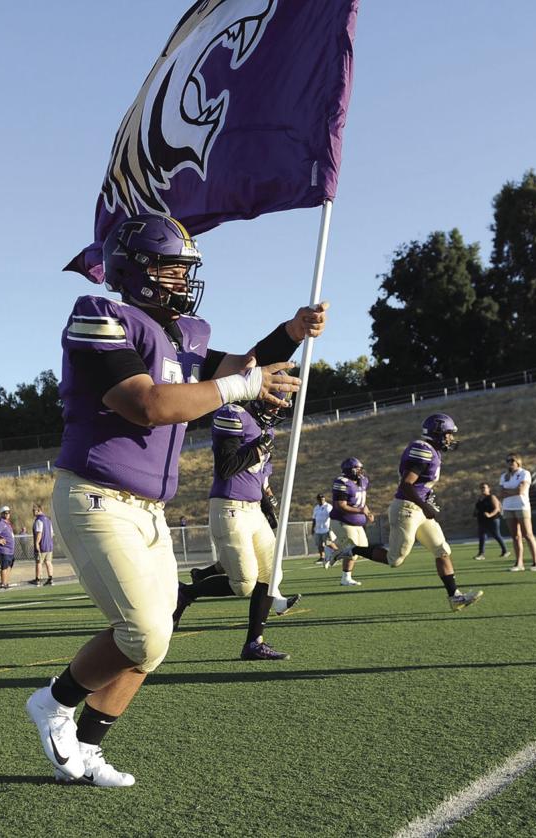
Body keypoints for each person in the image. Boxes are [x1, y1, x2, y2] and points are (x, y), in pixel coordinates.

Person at [25, 212, 320, 787]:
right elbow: (150, 405)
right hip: (95, 496)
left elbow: (241, 367)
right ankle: (54, 702)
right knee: (144, 632)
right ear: (134, 270)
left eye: (185, 268)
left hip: (148, 510)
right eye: (170, 266)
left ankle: (86, 752)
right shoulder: (100, 315)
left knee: (152, 646)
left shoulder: (184, 334)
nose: (182, 278)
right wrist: (242, 387)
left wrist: (291, 330)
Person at [171, 394, 301, 659]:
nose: (277, 408)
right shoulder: (233, 414)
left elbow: (260, 477)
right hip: (230, 507)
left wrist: (268, 504)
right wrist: (257, 449)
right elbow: (226, 467)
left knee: (272, 574)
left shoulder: (267, 431)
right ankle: (186, 592)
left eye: (282, 404)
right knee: (243, 583)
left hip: (254, 510)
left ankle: (254, 643)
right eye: (275, 401)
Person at [333, 414, 483, 611]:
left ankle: (454, 596)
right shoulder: (423, 451)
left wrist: (426, 501)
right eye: (447, 434)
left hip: (418, 508)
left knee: (442, 550)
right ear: (437, 432)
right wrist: (425, 504)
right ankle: (352, 549)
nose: (450, 438)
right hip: (407, 508)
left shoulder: (433, 452)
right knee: (394, 560)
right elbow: (406, 485)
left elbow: (419, 485)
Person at [330, 457, 373, 586]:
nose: (360, 471)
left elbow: (362, 502)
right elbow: (341, 506)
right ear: (349, 470)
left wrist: (368, 512)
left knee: (362, 549)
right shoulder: (342, 482)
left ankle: (332, 551)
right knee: (352, 550)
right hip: (342, 520)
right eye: (357, 468)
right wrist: (361, 511)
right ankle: (345, 578)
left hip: (357, 522)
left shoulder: (363, 481)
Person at [500, 454, 536, 571]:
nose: (510, 463)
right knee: (515, 537)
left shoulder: (524, 473)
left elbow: (521, 490)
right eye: (508, 461)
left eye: (512, 460)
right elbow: (501, 492)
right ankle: (519, 563)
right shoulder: (504, 476)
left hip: (521, 506)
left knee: (528, 535)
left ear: (518, 461)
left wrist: (510, 491)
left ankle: (535, 562)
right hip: (508, 507)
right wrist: (512, 491)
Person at [472, 483, 507, 560]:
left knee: (496, 535)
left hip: (493, 519)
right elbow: (477, 508)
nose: (483, 489)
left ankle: (505, 551)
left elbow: (497, 508)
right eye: (481, 488)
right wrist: (475, 513)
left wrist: (490, 515)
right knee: (482, 536)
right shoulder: (480, 499)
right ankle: (481, 554)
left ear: (488, 488)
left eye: (484, 487)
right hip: (482, 520)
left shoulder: (492, 497)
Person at [0, 506, 17, 588]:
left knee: (9, 566)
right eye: (5, 513)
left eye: (8, 512)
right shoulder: (1, 523)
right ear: (1, 514)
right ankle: (3, 583)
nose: (7, 514)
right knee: (4, 566)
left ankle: (6, 582)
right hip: (4, 549)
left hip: (10, 550)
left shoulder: (7, 523)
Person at [31, 503, 55, 586]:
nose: (33, 512)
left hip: (42, 545)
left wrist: (37, 543)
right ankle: (50, 578)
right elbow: (51, 533)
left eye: (34, 510)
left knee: (39, 562)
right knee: (48, 562)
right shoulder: (48, 520)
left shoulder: (39, 520)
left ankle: (38, 579)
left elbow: (39, 532)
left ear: (39, 510)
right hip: (49, 545)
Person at [312, 493, 336, 565]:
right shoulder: (316, 508)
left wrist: (332, 526)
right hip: (318, 529)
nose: (321, 500)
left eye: (322, 498)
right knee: (319, 544)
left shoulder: (328, 506)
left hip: (326, 529)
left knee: (328, 543)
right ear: (317, 500)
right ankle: (322, 557)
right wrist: (313, 528)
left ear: (324, 499)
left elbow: (332, 516)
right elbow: (314, 519)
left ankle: (337, 553)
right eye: (319, 499)